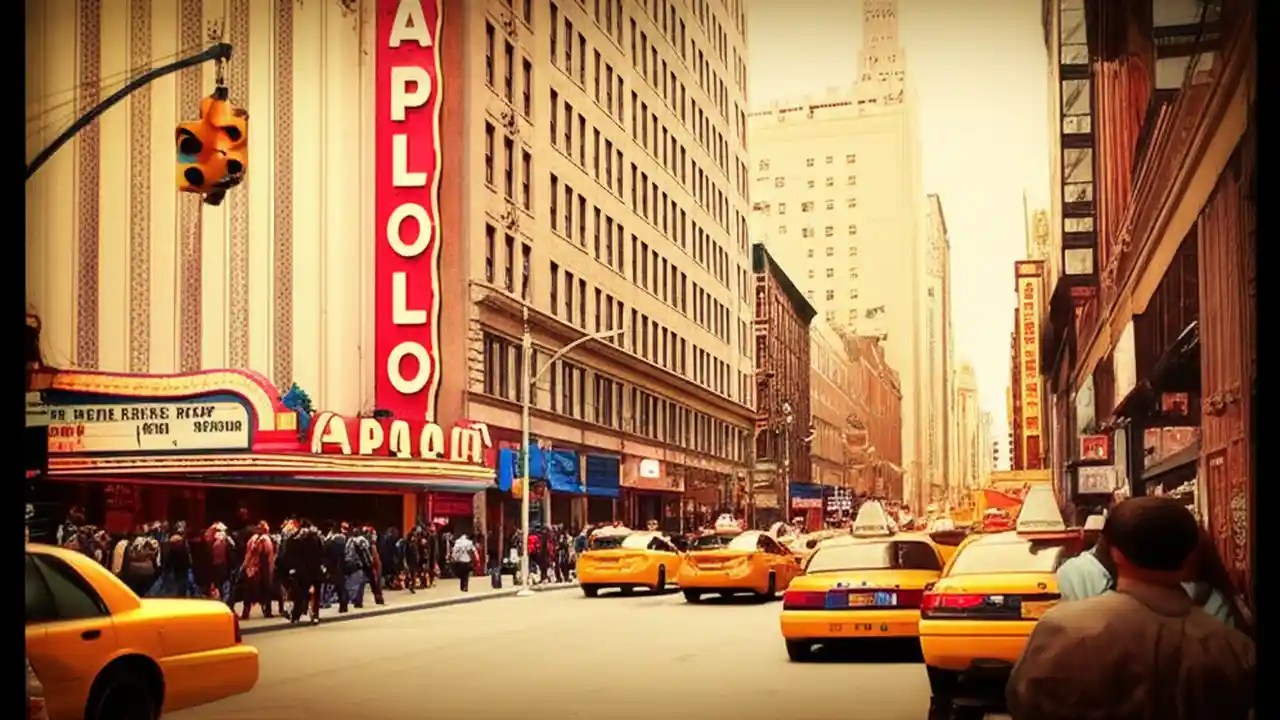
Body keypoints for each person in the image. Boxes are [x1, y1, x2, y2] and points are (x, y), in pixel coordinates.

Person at [1006, 497, 1255, 720]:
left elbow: (1023, 703)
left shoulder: (1062, 631)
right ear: (1190, 554)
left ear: (1116, 554)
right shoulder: (1234, 648)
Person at [1054, 514, 1113, 601]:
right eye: (1088, 533)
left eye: (1093, 533)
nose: (1090, 536)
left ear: (1101, 536)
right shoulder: (1072, 567)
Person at [239, 521, 277, 619]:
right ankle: (267, 611)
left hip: (251, 569)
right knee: (265, 590)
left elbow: (248, 554)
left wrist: (245, 566)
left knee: (250, 591)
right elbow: (266, 557)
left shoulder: (252, 539)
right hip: (261, 570)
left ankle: (246, 612)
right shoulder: (265, 540)